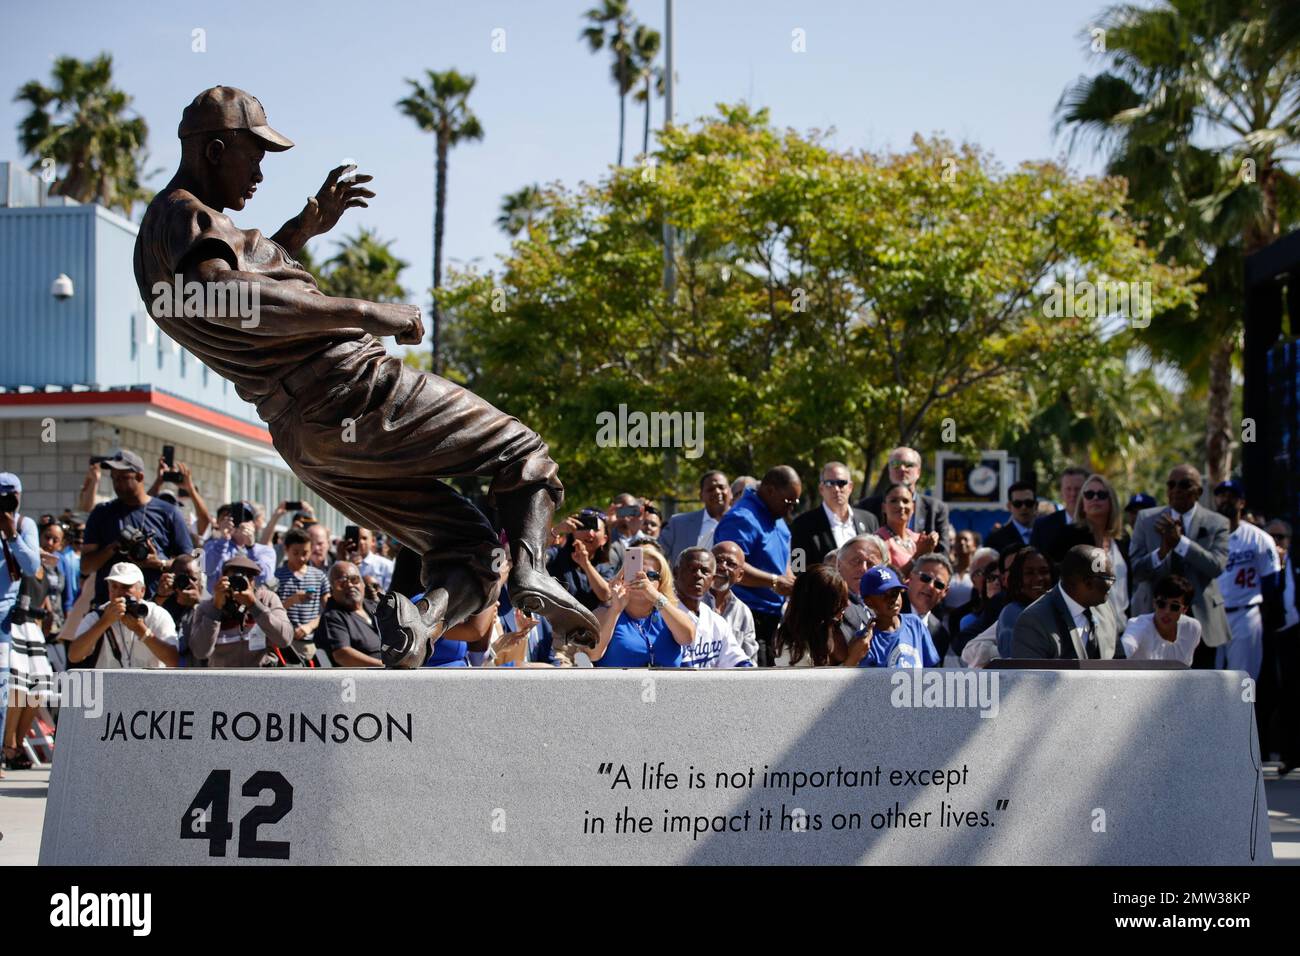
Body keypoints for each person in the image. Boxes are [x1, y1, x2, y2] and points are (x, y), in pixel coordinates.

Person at [133, 86, 598, 669]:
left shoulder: (173, 234)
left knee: (471, 548)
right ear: (217, 148)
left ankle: (423, 621)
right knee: (524, 453)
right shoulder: (183, 212)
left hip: (305, 435)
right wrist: (366, 312)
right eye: (255, 156)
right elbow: (227, 296)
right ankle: (535, 571)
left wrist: (301, 230)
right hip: (351, 387)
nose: (260, 173)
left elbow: (241, 282)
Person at [1129, 463, 1230, 667]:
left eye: (1184, 484)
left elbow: (1216, 566)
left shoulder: (1217, 523)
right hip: (1154, 617)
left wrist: (1181, 544)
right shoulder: (1146, 519)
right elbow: (1137, 572)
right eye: (1171, 484)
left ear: (1198, 492)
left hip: (1200, 620)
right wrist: (1162, 551)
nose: (1176, 489)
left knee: (1200, 691)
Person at [80, 450, 193, 605]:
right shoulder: (102, 513)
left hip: (155, 606)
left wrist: (158, 563)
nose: (117, 484)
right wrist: (113, 548)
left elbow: (188, 565)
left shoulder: (168, 512)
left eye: (123, 478)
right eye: (114, 478)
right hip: (109, 608)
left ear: (140, 477)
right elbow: (85, 567)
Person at [714, 466, 800, 667]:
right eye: (788, 501)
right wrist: (774, 581)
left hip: (775, 618)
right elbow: (729, 570)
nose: (791, 508)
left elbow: (783, 560)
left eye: (795, 502)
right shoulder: (742, 518)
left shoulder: (777, 517)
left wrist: (792, 582)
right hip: (747, 618)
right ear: (770, 490)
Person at [1211, 479, 1280, 681]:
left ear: (1241, 503)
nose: (1226, 500)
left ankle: (1242, 714)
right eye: (1222, 496)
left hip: (1244, 613)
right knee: (1212, 681)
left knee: (1242, 682)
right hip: (1213, 617)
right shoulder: (1206, 536)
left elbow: (1271, 581)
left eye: (1232, 497)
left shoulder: (1258, 538)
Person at [590, 543, 695, 667]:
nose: (642, 580)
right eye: (634, 574)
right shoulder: (603, 614)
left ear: (661, 583)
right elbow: (593, 654)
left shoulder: (669, 614)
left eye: (651, 576)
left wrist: (655, 597)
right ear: (622, 577)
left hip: (666, 686)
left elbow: (687, 638)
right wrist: (616, 609)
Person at [1010, 545, 1123, 660]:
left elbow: (1120, 662)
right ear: (1088, 583)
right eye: (1109, 579)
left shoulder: (1105, 609)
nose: (1112, 584)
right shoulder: (1033, 622)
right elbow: (1030, 676)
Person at [188, 555, 295, 667]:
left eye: (249, 576)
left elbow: (285, 640)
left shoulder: (267, 599)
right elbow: (200, 653)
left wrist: (254, 605)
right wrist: (215, 609)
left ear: (254, 581)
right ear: (224, 579)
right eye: (235, 576)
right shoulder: (207, 607)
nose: (243, 581)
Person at [68, 562, 179, 668]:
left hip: (151, 686)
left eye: (126, 587)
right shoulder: (98, 615)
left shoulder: (157, 615)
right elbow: (74, 656)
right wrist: (104, 622)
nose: (118, 593)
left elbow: (173, 661)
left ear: (142, 590)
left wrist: (141, 630)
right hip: (109, 686)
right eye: (114, 587)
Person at [1057, 474, 1130, 621]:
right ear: (1082, 502)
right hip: (1084, 626)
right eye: (1089, 494)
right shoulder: (1068, 536)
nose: (1095, 498)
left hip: (1122, 626)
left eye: (1101, 494)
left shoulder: (1122, 538)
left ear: (1111, 501)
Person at [856, 447, 950, 553]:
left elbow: (942, 553)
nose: (902, 469)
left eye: (909, 465)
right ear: (889, 470)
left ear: (918, 472)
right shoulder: (867, 506)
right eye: (896, 464)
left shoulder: (936, 508)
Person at [845, 565, 940, 668]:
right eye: (884, 595)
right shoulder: (865, 641)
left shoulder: (915, 623)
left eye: (895, 592)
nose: (892, 599)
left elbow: (933, 668)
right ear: (869, 602)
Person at [790, 462, 879, 572]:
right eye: (829, 483)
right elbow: (797, 568)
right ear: (821, 489)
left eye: (841, 483)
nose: (836, 489)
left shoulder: (869, 520)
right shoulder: (802, 524)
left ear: (850, 487)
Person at [676, 549, 753, 668]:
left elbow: (739, 662)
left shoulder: (716, 622)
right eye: (692, 568)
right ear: (676, 573)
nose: (698, 575)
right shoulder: (664, 613)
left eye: (705, 571)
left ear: (712, 579)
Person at [774, 565, 850, 667]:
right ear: (820, 604)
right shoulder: (793, 648)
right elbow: (814, 682)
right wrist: (853, 658)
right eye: (840, 600)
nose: (847, 604)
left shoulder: (833, 628)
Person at [274, 527, 328, 662]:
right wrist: (291, 601)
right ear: (286, 550)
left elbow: (328, 610)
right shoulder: (277, 576)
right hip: (284, 644)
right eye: (296, 553)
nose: (301, 558)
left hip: (311, 643)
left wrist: (310, 626)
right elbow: (271, 612)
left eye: (305, 553)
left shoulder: (319, 576)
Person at [1121, 575, 1202, 664]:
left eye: (1174, 607)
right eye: (1161, 604)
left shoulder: (1192, 628)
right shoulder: (1138, 625)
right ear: (1154, 603)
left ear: (1184, 609)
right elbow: (1126, 646)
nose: (1167, 611)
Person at [546, 508, 616, 611]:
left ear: (604, 539)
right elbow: (537, 558)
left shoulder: (605, 567)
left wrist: (586, 564)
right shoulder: (556, 555)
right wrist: (556, 530)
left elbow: (605, 595)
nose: (590, 533)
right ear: (573, 532)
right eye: (585, 527)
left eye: (595, 529)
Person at [317, 561, 384, 667]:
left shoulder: (374, 606)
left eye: (354, 580)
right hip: (362, 679)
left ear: (362, 584)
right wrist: (383, 666)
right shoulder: (332, 616)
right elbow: (342, 655)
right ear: (332, 590)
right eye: (341, 582)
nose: (349, 585)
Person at [202, 501, 277, 592]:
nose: (241, 522)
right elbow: (207, 570)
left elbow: (263, 579)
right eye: (236, 518)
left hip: (250, 602)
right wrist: (223, 539)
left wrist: (251, 548)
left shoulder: (265, 551)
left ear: (254, 524)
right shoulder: (213, 545)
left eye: (246, 518)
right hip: (220, 601)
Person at [659, 471, 732, 563]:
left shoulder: (742, 524)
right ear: (701, 495)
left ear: (730, 492)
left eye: (721, 487)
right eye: (710, 489)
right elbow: (657, 555)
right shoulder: (678, 524)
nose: (717, 492)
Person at [705, 541, 759, 665]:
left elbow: (750, 659)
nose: (722, 567)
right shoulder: (691, 601)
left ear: (740, 575)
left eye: (731, 564)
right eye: (718, 561)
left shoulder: (743, 612)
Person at [995, 547, 1053, 658]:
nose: (1039, 578)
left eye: (1044, 571)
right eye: (1029, 573)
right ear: (1018, 578)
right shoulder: (1012, 613)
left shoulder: (1058, 609)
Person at [876, 483, 940, 575]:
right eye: (894, 501)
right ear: (884, 507)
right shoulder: (879, 540)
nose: (901, 505)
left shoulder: (919, 539)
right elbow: (888, 581)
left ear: (913, 507)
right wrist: (918, 555)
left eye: (905, 501)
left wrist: (930, 550)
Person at [1030, 466, 1090, 561]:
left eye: (1078, 489)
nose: (1073, 494)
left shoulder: (1097, 525)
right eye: (1068, 489)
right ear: (1061, 492)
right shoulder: (1042, 526)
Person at [907, 552, 955, 659]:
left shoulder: (941, 635)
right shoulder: (888, 612)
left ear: (945, 592)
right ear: (911, 577)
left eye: (939, 584)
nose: (930, 586)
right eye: (925, 578)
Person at [986, 481, 1039, 554]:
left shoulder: (1049, 533)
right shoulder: (996, 539)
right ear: (1009, 506)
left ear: (1036, 505)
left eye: (1028, 503)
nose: (1024, 507)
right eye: (1017, 504)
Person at [945, 529, 981, 610]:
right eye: (958, 540)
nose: (962, 542)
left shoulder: (978, 572)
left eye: (966, 539)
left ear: (974, 545)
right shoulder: (947, 571)